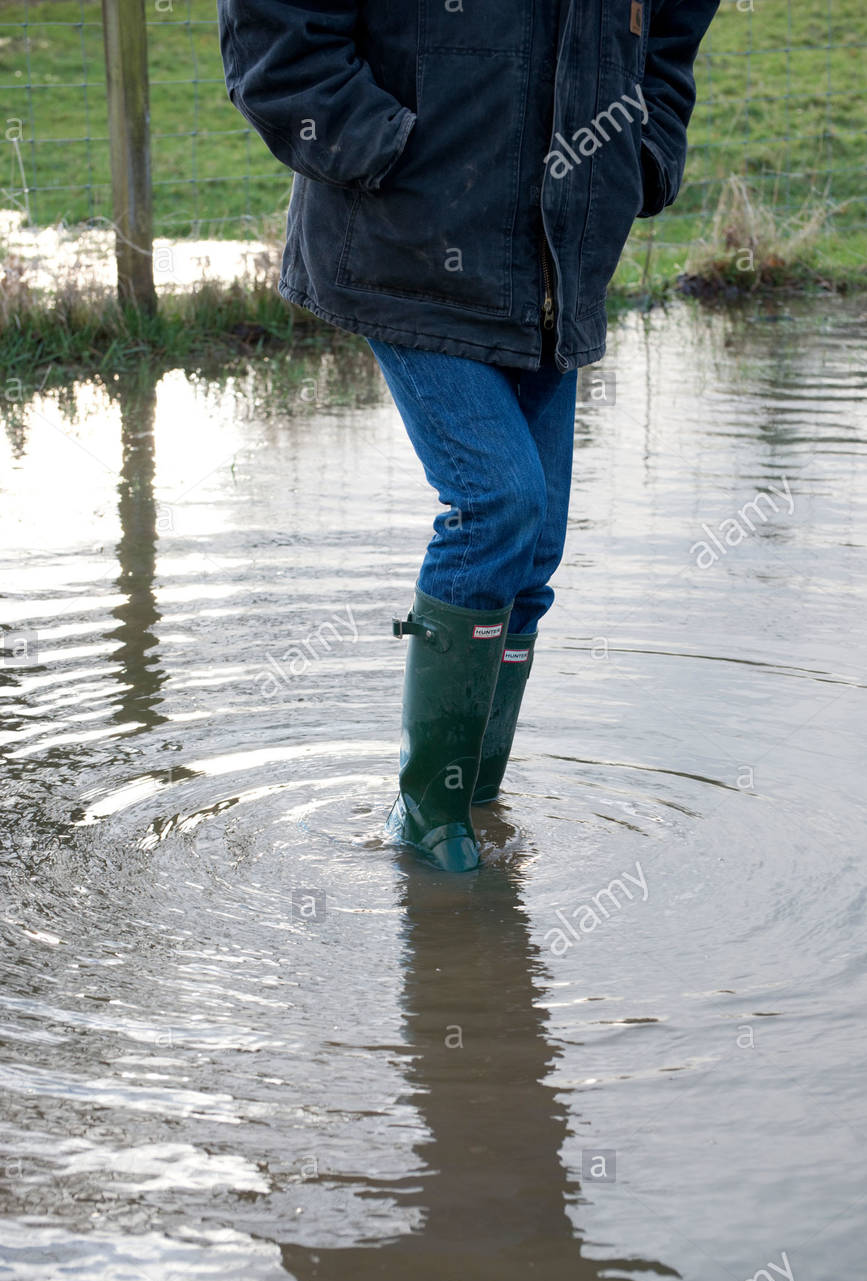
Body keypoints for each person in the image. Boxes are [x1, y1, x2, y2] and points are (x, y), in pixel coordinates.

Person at [218, 0, 720, 872]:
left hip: (560, 247)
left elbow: (670, 29)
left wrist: (643, 150)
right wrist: (384, 146)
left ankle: (474, 805)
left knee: (533, 546)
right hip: (405, 242)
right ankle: (425, 816)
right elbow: (275, 30)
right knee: (498, 506)